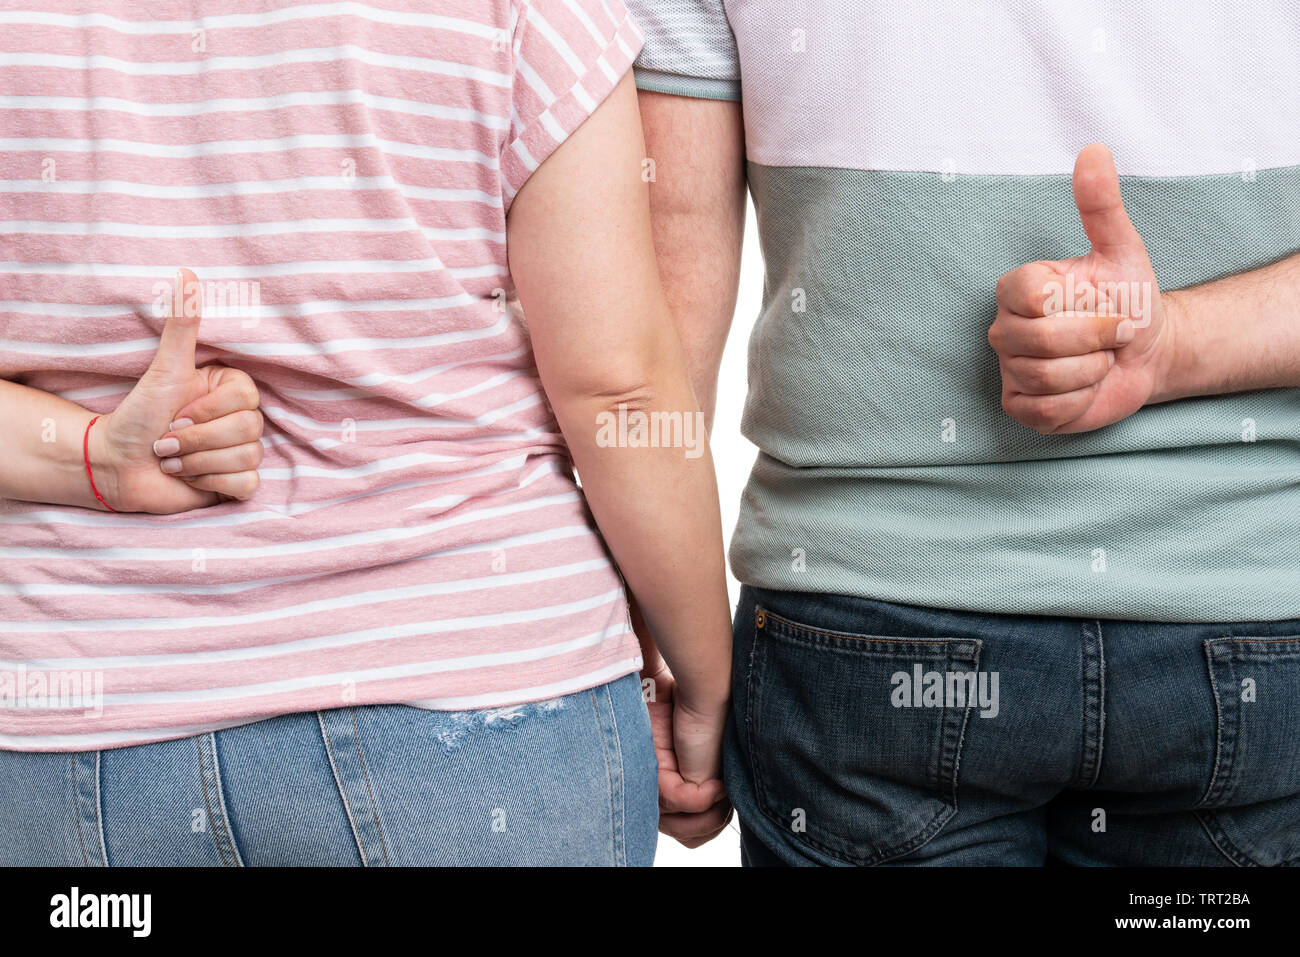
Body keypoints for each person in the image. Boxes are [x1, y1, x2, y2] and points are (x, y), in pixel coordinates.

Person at [0, 0, 732, 866]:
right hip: (475, 717)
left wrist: (92, 457)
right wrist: (703, 684)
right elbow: (619, 393)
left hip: (71, 736)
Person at [627, 0, 1300, 865]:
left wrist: (651, 651)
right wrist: (1173, 345)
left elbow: (652, 348)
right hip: (1247, 630)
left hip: (865, 625)